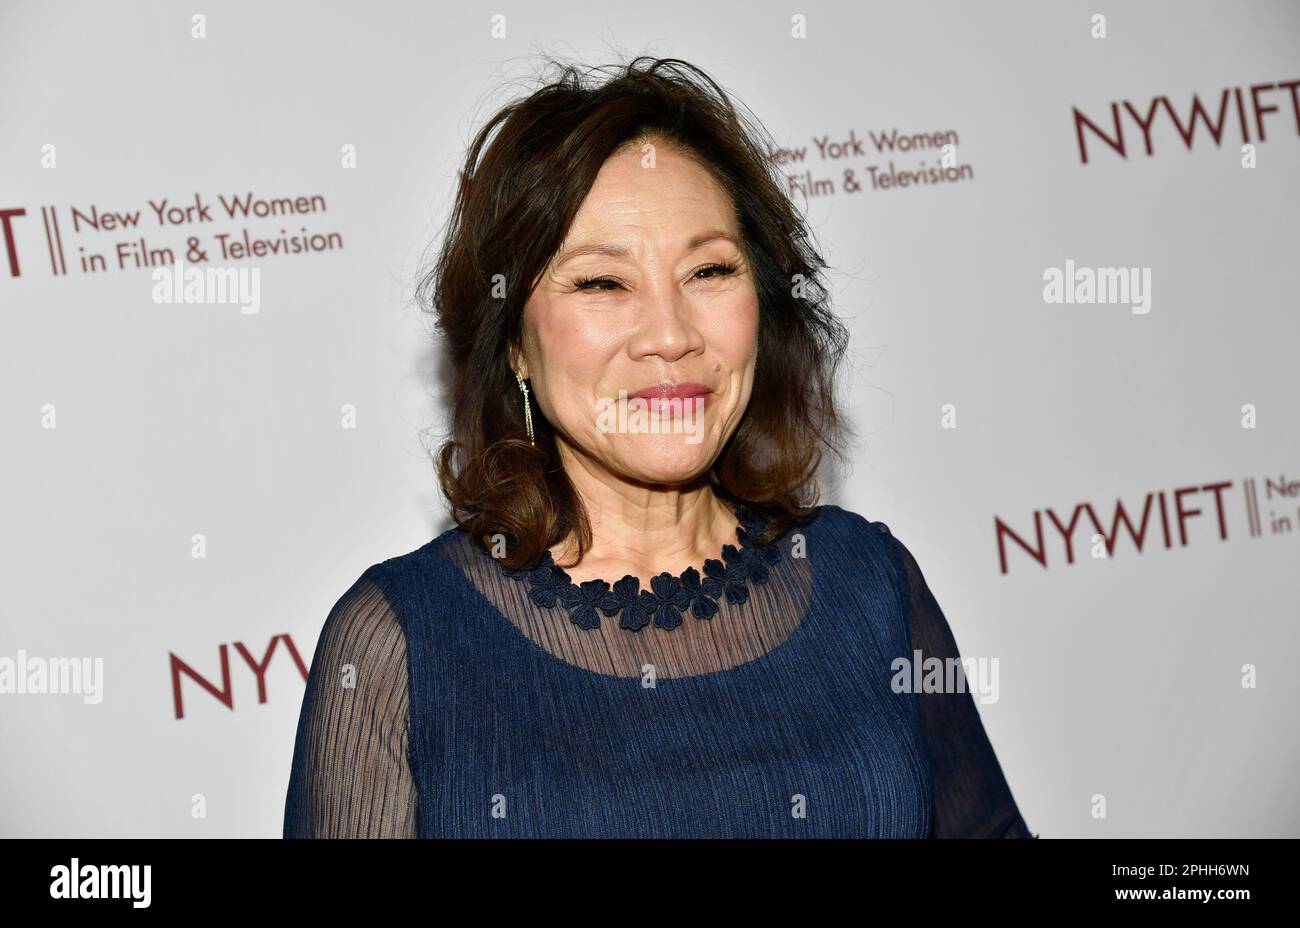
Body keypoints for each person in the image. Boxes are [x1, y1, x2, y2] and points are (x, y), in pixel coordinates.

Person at [283, 56, 1033, 838]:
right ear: (512, 345)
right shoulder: (401, 644)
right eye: (601, 284)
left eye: (709, 270)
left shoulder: (869, 584)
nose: (672, 336)